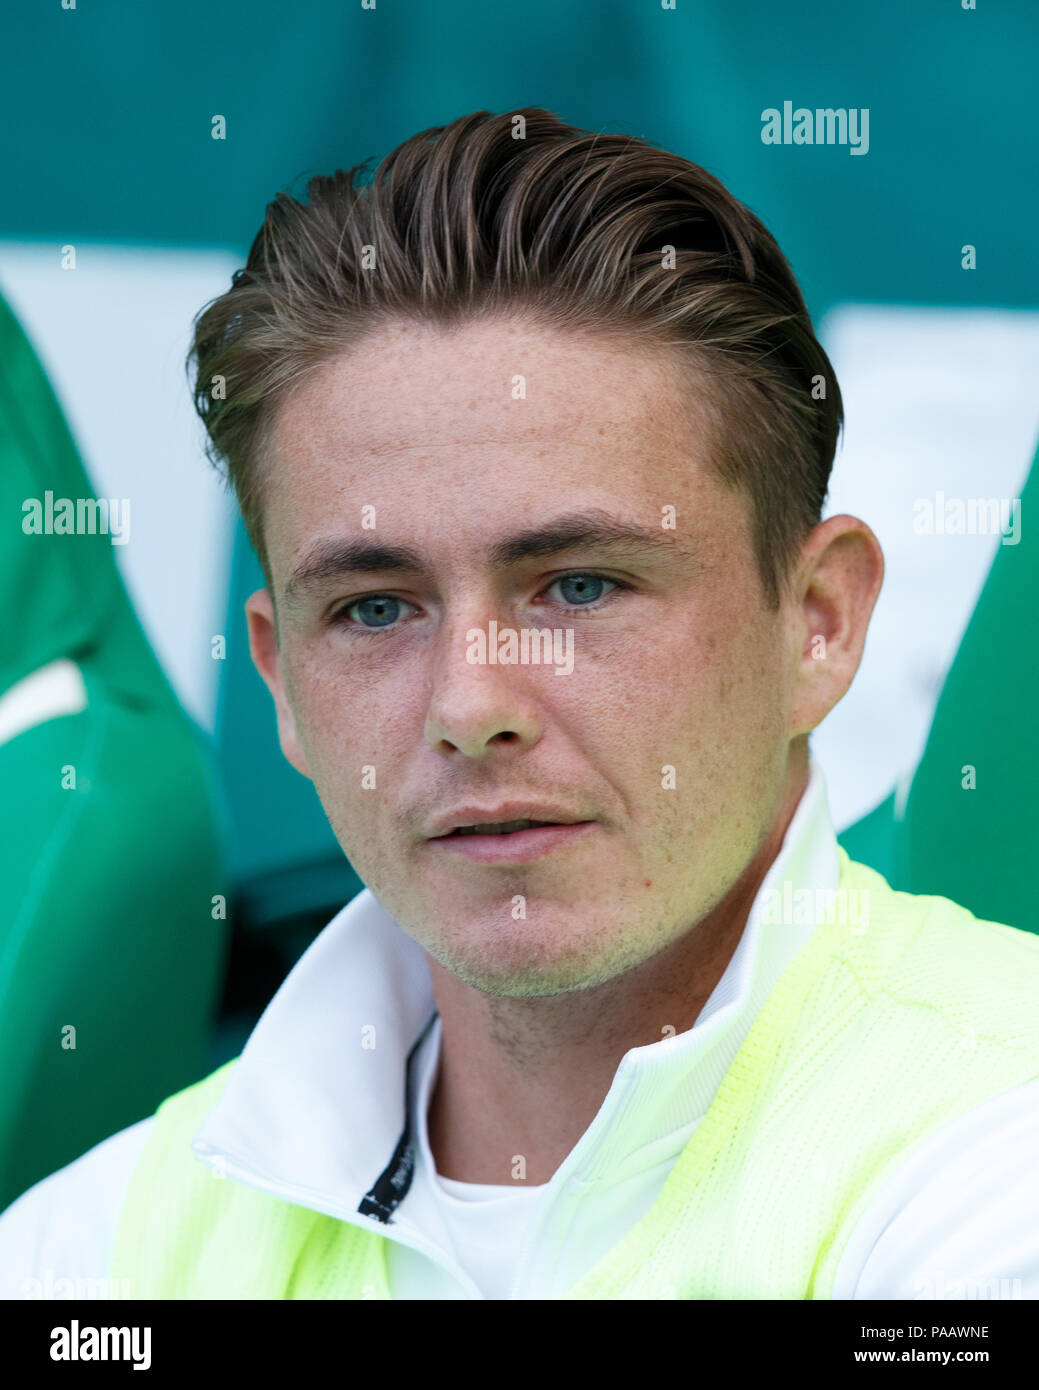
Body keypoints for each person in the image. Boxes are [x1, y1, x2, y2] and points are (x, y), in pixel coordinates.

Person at [3, 106, 1039, 1301]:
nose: (469, 702)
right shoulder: (99, 1242)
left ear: (816, 623)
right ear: (282, 680)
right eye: (376, 608)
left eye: (581, 585)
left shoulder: (999, 1146)